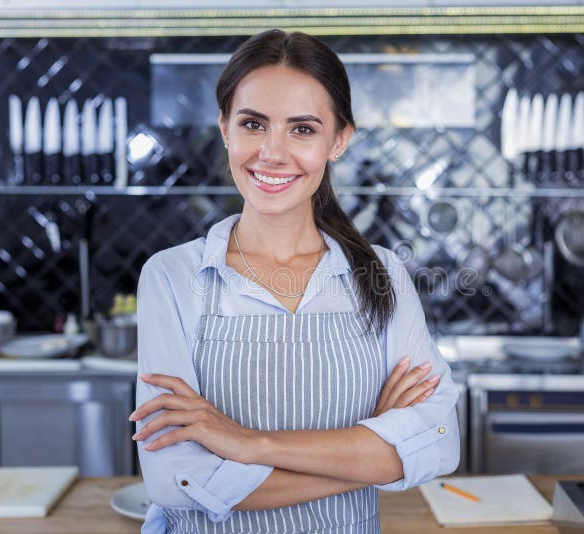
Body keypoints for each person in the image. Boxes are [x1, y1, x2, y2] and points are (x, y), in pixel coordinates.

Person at [130, 29, 460, 534]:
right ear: (224, 127)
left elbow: (437, 443)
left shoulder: (383, 275)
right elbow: (179, 480)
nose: (272, 152)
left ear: (339, 139)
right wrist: (368, 451)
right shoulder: (172, 277)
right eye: (253, 124)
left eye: (303, 129)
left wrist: (247, 444)